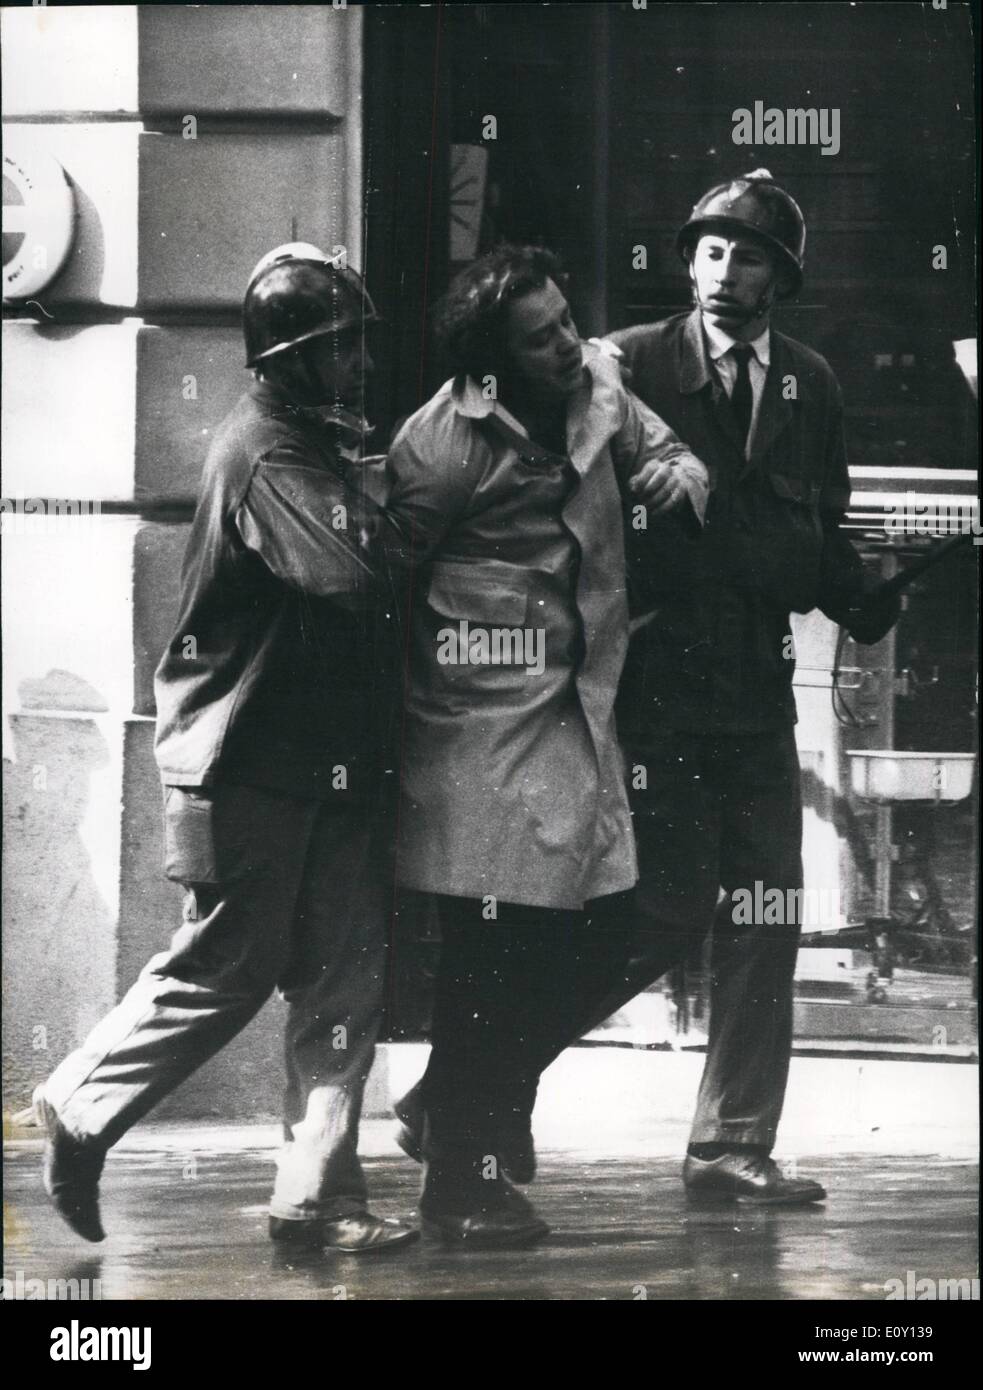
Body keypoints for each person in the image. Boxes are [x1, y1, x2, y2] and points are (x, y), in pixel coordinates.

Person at [445, 171, 899, 1206]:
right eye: (706, 250)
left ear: (781, 276)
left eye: (744, 256)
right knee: (658, 910)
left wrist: (864, 590)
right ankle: (478, 1084)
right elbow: (521, 477)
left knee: (765, 909)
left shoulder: (809, 387)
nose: (721, 273)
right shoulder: (625, 365)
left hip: (752, 691)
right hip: (645, 687)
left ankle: (729, 1144)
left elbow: (817, 536)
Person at [33, 244, 417, 1254]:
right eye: (340, 348)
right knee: (226, 968)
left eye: (357, 344)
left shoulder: (315, 443)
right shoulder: (269, 451)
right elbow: (351, 578)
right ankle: (80, 1101)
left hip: (324, 755)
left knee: (343, 979)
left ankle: (316, 1197)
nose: (359, 364)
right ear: (288, 359)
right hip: (250, 759)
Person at [385, 244, 710, 1245]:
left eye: (569, 319)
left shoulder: (598, 383)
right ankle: (462, 1180)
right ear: (490, 362)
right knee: (491, 953)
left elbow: (672, 456)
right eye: (542, 337)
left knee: (648, 913)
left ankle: (448, 1104)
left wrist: (666, 477)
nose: (570, 345)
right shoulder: (441, 442)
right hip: (476, 724)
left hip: (578, 708)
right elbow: (383, 573)